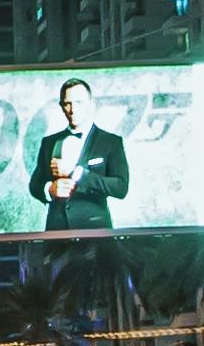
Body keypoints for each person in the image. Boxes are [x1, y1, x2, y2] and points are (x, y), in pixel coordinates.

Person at [28, 76, 129, 233]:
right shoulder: (49, 142)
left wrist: (77, 173)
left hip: (95, 232)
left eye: (79, 102)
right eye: (68, 104)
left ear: (91, 104)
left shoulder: (111, 142)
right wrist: (50, 189)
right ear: (62, 106)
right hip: (57, 232)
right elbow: (35, 184)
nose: (73, 109)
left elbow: (120, 188)